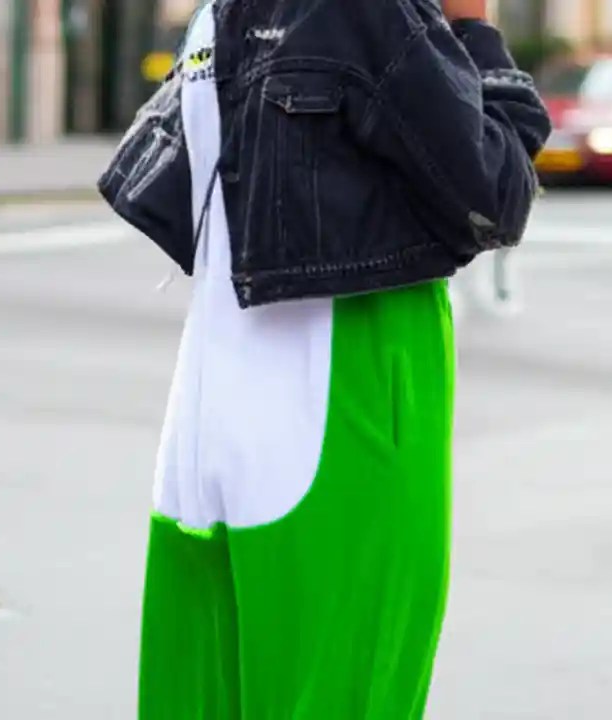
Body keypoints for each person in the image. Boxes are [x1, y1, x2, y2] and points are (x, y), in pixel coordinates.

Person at [99, 0, 550, 716]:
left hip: (206, 414)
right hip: (335, 403)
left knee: (198, 693)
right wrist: (474, 30)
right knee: (351, 689)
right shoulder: (377, 14)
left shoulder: (218, 16)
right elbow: (495, 195)